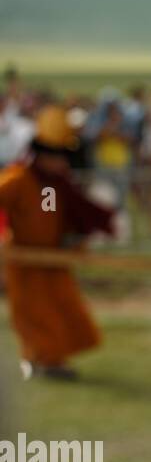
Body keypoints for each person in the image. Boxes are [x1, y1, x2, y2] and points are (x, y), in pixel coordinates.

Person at [0, 106, 114, 380]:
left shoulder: (56, 185)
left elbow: (61, 216)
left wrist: (74, 237)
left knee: (65, 308)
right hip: (25, 260)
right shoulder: (17, 180)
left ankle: (50, 359)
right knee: (35, 313)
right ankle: (43, 361)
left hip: (53, 259)